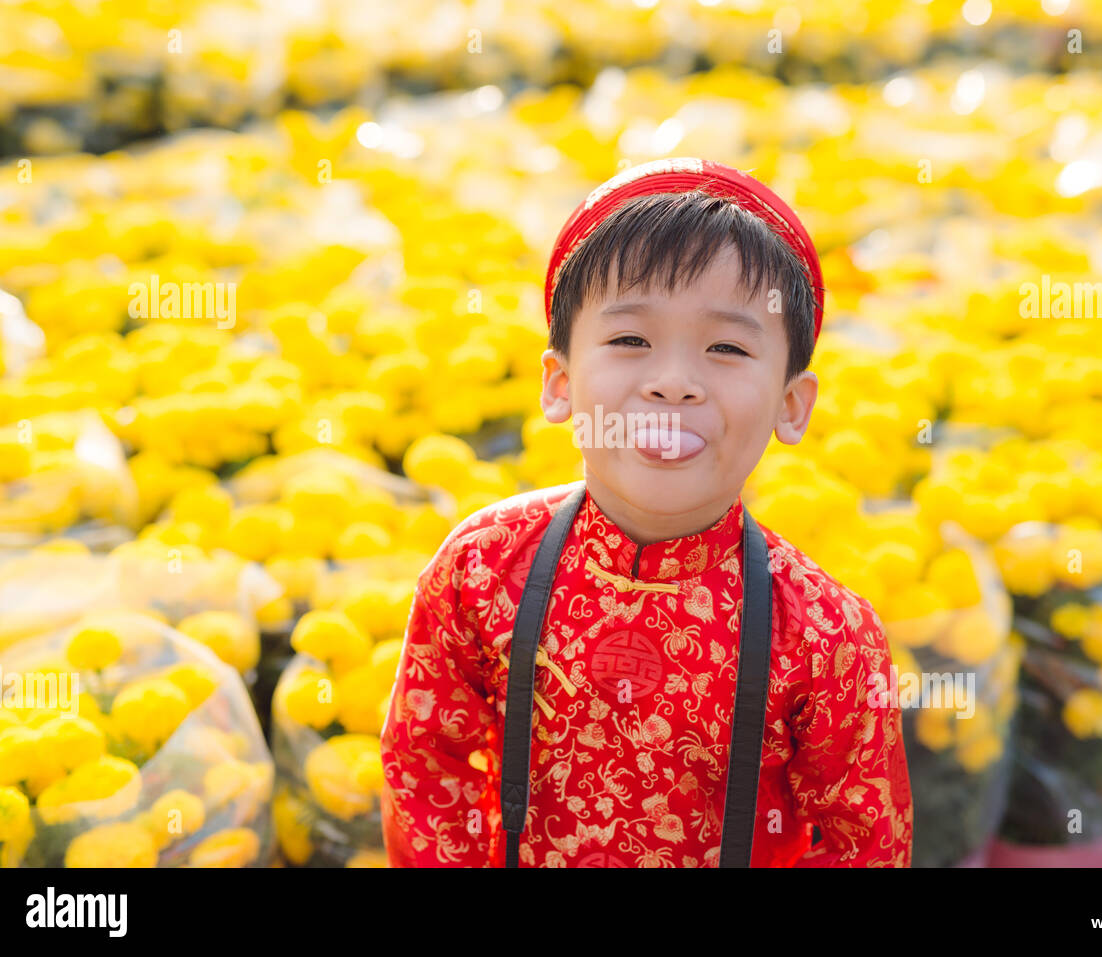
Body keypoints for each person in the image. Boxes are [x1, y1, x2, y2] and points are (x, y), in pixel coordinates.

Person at [380, 158, 913, 867]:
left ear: (793, 404)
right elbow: (423, 762)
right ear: (560, 382)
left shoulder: (826, 634)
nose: (672, 384)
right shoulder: (480, 567)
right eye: (630, 340)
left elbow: (867, 846)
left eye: (726, 347)